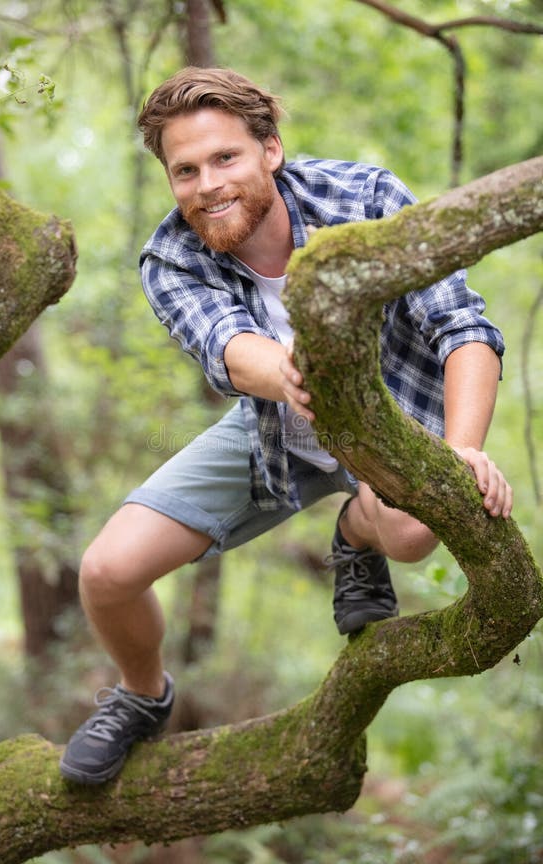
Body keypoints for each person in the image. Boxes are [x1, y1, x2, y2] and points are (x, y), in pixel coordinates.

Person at [60, 66, 513, 785]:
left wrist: (460, 452)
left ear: (270, 149)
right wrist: (299, 373)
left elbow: (463, 328)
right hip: (274, 429)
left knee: (410, 529)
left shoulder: (365, 198)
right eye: (185, 170)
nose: (207, 184)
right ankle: (144, 697)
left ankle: (355, 534)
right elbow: (231, 351)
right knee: (106, 572)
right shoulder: (171, 256)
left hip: (396, 425)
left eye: (225, 158)